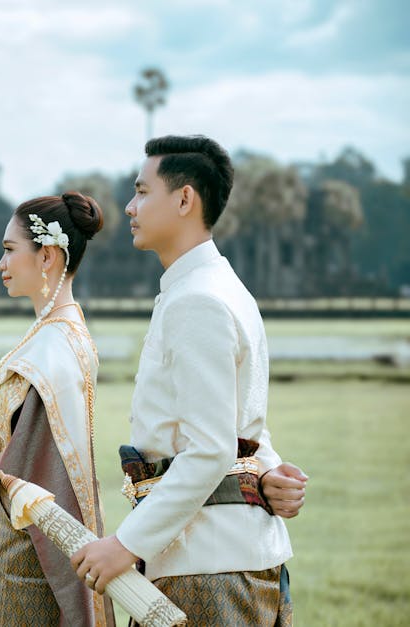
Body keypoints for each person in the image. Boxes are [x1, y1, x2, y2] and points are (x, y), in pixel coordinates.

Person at [70, 135, 308, 625]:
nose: (129, 206)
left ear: (184, 199)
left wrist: (124, 544)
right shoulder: (221, 287)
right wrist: (267, 469)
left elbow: (210, 449)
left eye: (141, 192)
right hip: (232, 558)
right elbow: (238, 428)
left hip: (206, 568)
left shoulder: (197, 299)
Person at [0, 192, 116, 626]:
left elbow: (39, 461)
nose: (1, 264)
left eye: (9, 250)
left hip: (31, 554)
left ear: (48, 257)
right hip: (21, 532)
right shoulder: (57, 335)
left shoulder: (54, 348)